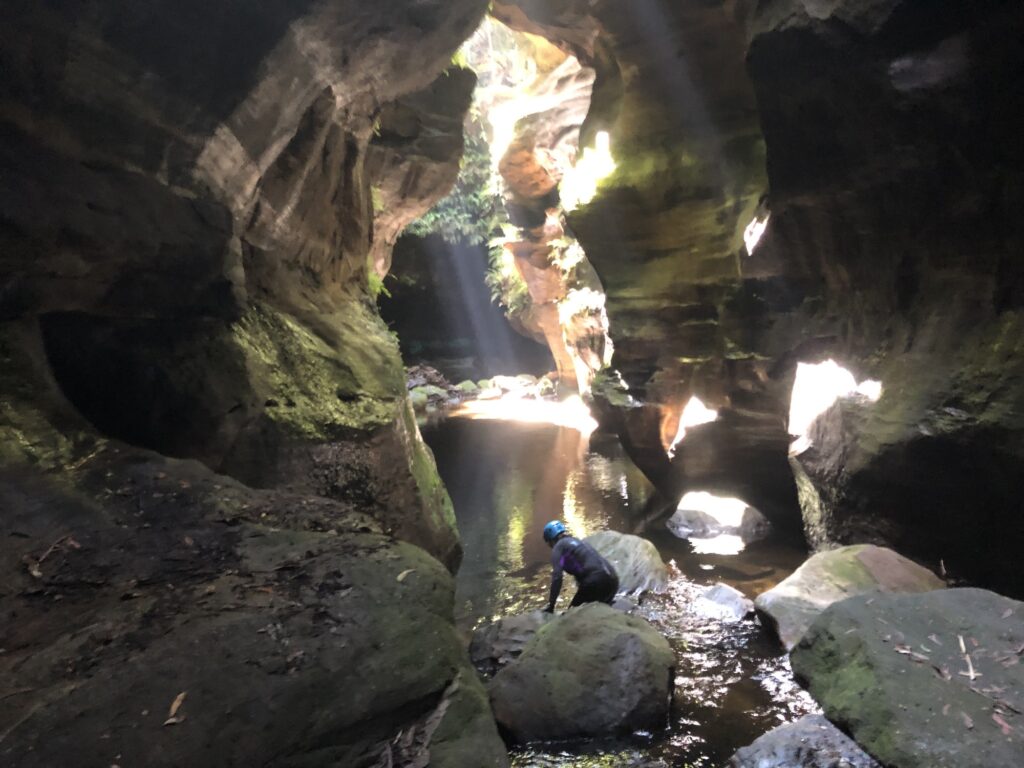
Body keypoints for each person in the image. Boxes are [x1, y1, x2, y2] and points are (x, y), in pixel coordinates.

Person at [542, 520, 619, 613]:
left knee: (571, 616)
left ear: (549, 540)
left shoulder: (559, 547)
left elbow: (557, 577)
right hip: (613, 579)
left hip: (596, 581)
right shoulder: (576, 541)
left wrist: (551, 605)